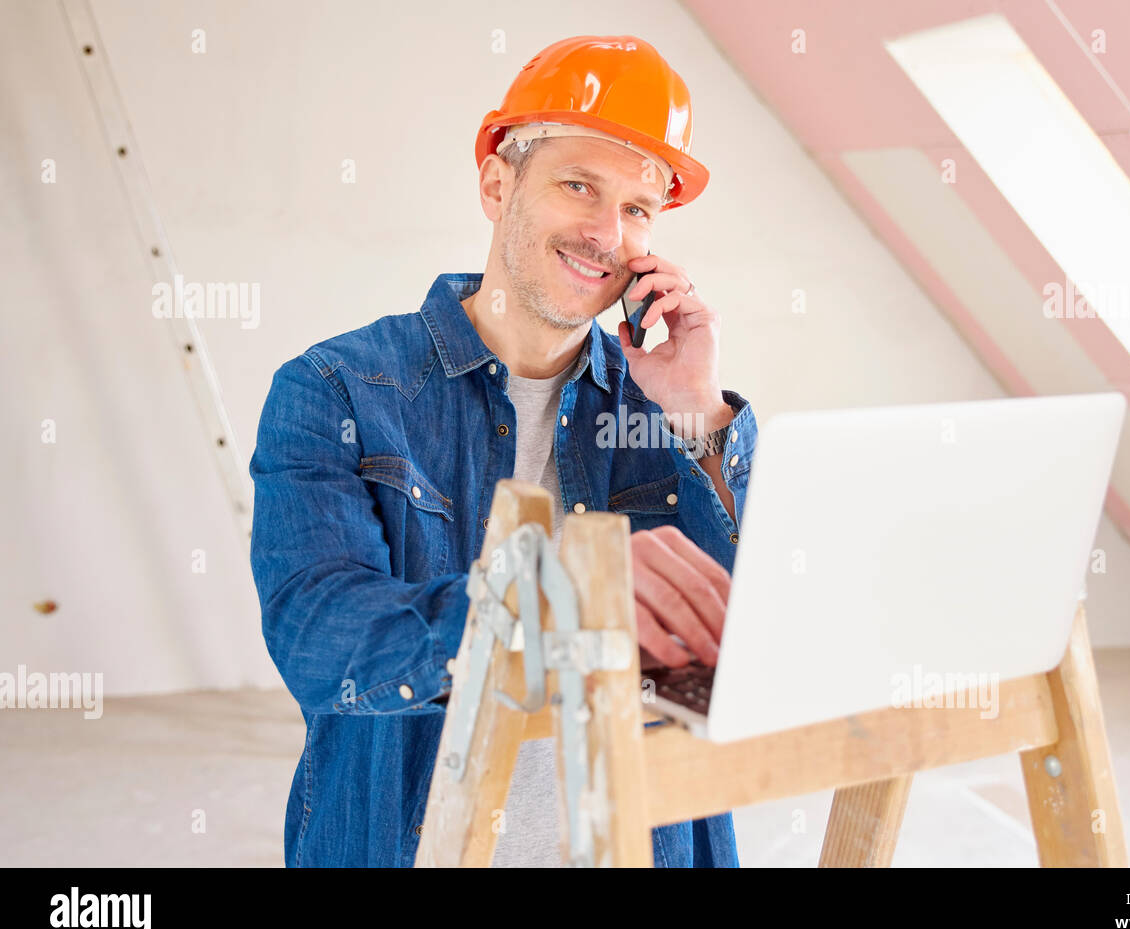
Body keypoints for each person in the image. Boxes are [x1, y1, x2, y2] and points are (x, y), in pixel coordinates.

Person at [248, 35, 757, 867]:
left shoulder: (664, 407)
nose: (605, 233)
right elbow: (320, 639)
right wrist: (555, 599)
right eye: (578, 186)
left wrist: (699, 422)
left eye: (636, 209)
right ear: (497, 183)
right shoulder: (337, 389)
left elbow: (746, 654)